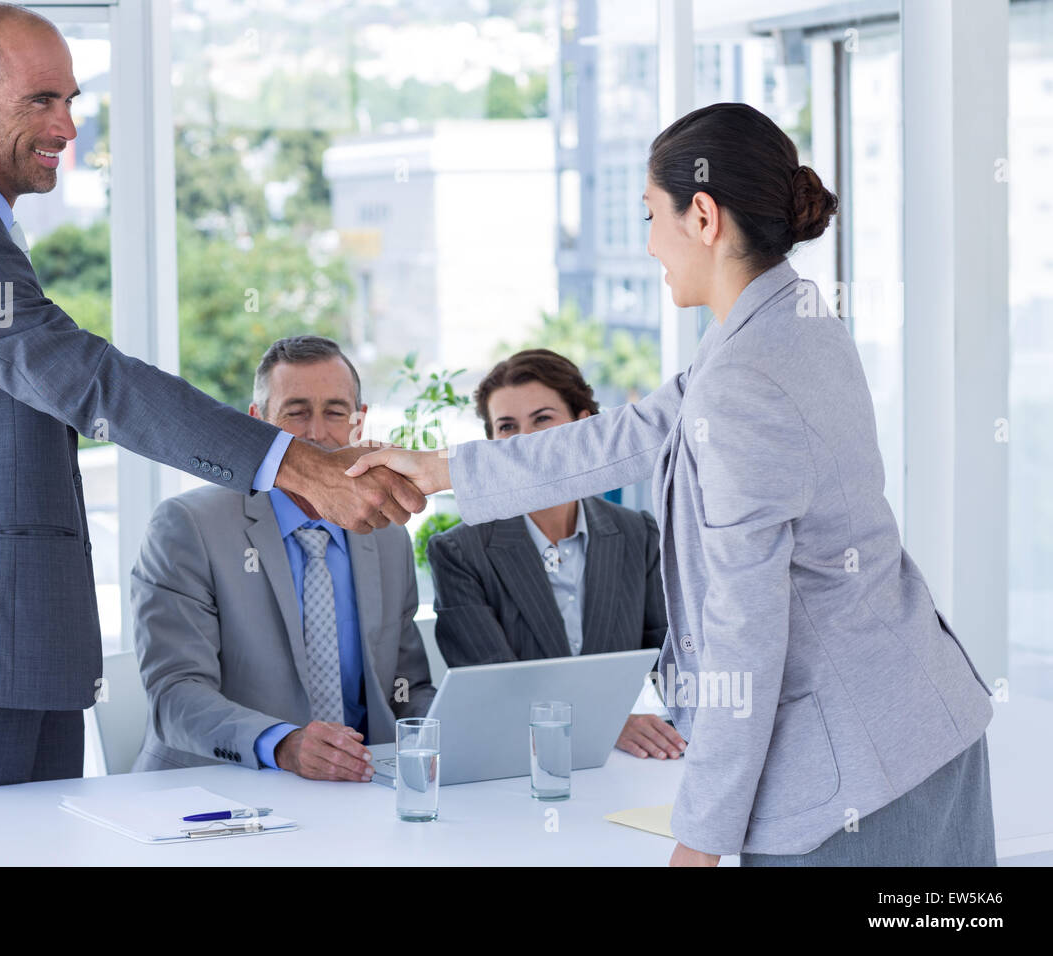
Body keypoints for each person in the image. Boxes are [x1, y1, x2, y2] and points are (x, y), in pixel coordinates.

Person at [349, 102, 996, 867]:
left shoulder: (747, 376)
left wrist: (700, 839)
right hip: (921, 723)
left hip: (853, 779)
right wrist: (448, 469)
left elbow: (743, 636)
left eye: (651, 214)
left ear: (702, 215)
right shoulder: (788, 320)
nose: (649, 242)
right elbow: (636, 431)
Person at [0, 4, 422, 794]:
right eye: (40, 101)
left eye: (71, 100)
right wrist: (291, 465)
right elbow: (93, 381)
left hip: (3, 644)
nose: (67, 126)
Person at [130, 337, 434, 780]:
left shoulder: (386, 534)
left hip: (359, 792)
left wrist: (436, 737)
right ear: (257, 423)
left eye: (334, 412)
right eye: (295, 412)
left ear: (359, 422)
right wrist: (284, 745)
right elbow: (176, 695)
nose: (315, 433)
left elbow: (407, 689)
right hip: (216, 795)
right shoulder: (187, 527)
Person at [426, 349, 684, 760]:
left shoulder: (637, 534)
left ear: (586, 428)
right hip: (516, 765)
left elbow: (668, 662)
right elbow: (494, 687)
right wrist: (604, 722)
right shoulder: (459, 552)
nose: (526, 442)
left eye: (542, 419)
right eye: (507, 427)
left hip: (619, 767)